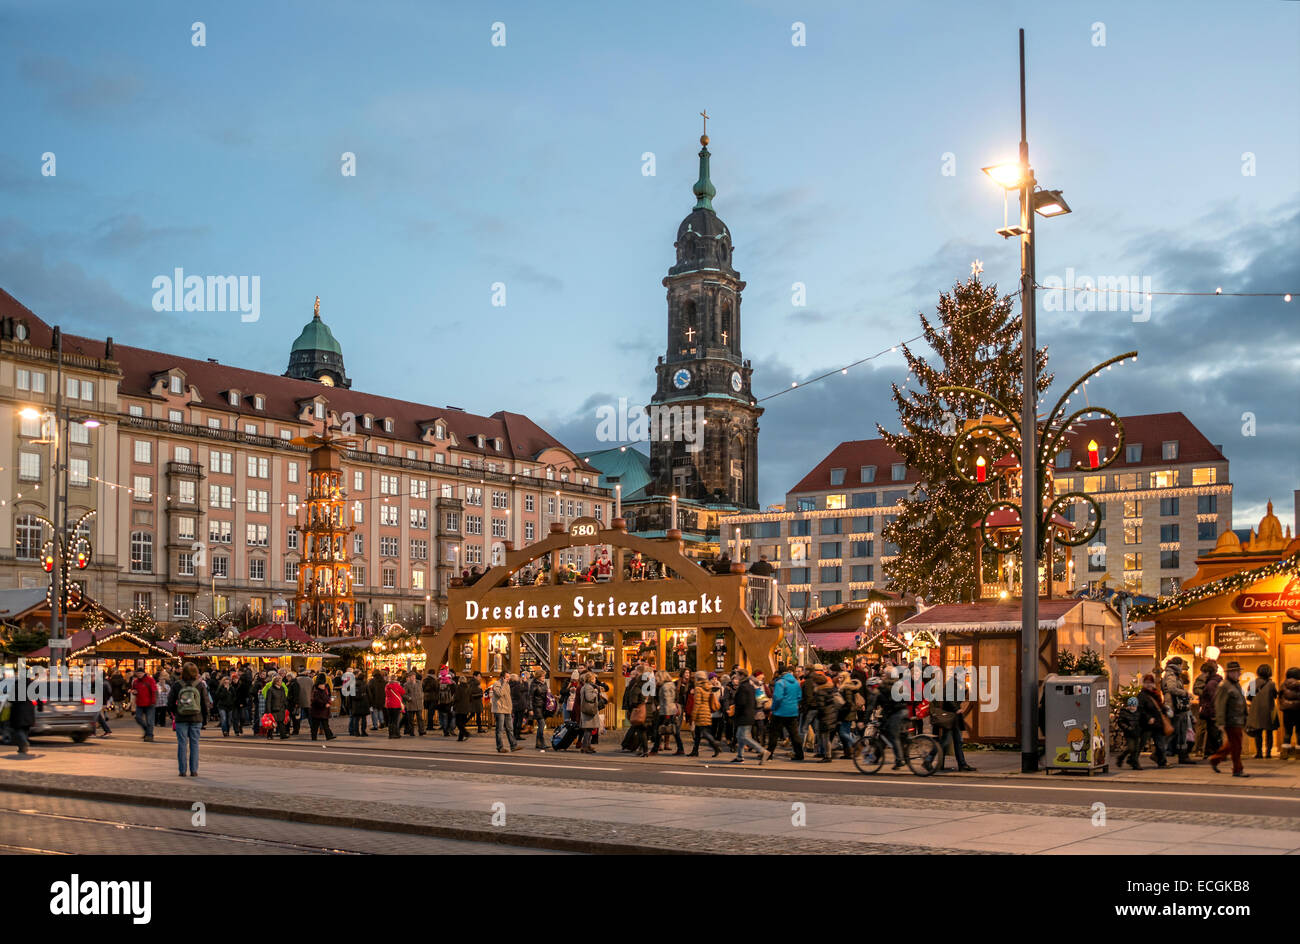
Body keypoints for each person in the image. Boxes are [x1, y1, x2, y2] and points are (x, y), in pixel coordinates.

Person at [1209, 661, 1249, 776]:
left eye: (1238, 671)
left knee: (1232, 744)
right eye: (1236, 671)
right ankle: (1238, 769)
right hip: (1231, 720)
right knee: (1236, 746)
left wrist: (1245, 715)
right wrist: (1220, 722)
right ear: (1230, 673)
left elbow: (1241, 701)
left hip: (1238, 719)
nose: (1238, 674)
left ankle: (1215, 759)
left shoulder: (1235, 685)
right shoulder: (1224, 686)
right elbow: (1220, 704)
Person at [168, 662, 207, 777]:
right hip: (196, 718)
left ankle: (182, 770)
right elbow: (205, 703)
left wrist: (176, 712)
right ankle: (194, 770)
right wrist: (204, 718)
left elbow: (170, 703)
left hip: (181, 718)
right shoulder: (200, 685)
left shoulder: (177, 685)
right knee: (194, 744)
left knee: (182, 744)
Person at [933, 670, 976, 772]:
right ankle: (929, 759)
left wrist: (965, 690)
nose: (965, 677)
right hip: (950, 717)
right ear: (956, 675)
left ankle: (962, 764)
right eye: (963, 675)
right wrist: (956, 709)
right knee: (945, 742)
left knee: (957, 741)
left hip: (954, 718)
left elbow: (957, 699)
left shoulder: (957, 684)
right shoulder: (951, 684)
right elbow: (948, 698)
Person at [766, 665, 803, 761]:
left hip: (780, 712)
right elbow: (799, 696)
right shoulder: (795, 682)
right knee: (794, 734)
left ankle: (769, 754)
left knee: (774, 734)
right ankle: (799, 754)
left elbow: (777, 697)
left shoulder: (780, 682)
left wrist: (773, 708)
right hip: (792, 712)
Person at [1162, 656, 1195, 764]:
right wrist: (1185, 693)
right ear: (1179, 665)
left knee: (1181, 731)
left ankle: (1183, 755)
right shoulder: (1171, 674)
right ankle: (1159, 753)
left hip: (1177, 707)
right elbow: (1172, 688)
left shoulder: (1173, 674)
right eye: (1182, 666)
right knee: (1174, 731)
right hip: (1173, 707)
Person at [729, 668, 765, 764]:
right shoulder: (750, 685)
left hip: (744, 716)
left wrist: (736, 714)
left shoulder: (743, 687)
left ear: (741, 676)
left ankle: (763, 751)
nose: (736, 677)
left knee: (744, 737)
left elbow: (741, 703)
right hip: (749, 714)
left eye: (737, 675)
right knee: (740, 736)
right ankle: (740, 756)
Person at [1135, 673, 1168, 768]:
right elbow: (1140, 709)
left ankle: (1162, 762)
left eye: (1150, 682)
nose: (1149, 685)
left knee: (1160, 743)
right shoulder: (1141, 695)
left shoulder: (1156, 694)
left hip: (1157, 724)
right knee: (1141, 743)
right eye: (1146, 682)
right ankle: (1133, 760)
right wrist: (1148, 718)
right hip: (1147, 724)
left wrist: (1165, 711)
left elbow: (1160, 707)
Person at [1246, 664, 1278, 759]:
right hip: (1270, 710)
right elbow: (1275, 696)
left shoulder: (1252, 683)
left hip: (1256, 710)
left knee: (1258, 733)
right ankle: (1268, 753)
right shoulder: (1272, 684)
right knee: (1269, 732)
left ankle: (1259, 752)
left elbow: (1249, 697)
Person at [687, 671, 722, 757]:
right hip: (706, 711)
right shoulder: (708, 687)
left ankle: (716, 746)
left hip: (700, 713)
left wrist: (693, 716)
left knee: (704, 733)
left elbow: (697, 703)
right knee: (698, 733)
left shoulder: (698, 688)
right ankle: (695, 751)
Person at [1193, 660, 1222, 757]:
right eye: (1216, 666)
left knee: (1209, 729)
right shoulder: (1204, 678)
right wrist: (1205, 694)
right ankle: (1199, 749)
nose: (1217, 668)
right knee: (1204, 728)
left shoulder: (1214, 679)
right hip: (1206, 706)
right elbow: (1196, 690)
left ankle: (1205, 750)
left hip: (1207, 705)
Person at [490, 673, 520, 752]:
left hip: (507, 709)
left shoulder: (507, 684)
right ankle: (500, 747)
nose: (509, 678)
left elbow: (508, 697)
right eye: (507, 677)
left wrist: (510, 708)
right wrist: (503, 683)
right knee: (499, 729)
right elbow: (499, 694)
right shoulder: (497, 684)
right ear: (502, 677)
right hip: (499, 710)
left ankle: (513, 746)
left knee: (510, 728)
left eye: (509, 677)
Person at [129, 667, 157, 741]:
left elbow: (154, 691)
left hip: (149, 703)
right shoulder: (135, 681)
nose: (139, 675)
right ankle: (147, 731)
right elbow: (134, 689)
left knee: (150, 721)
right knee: (138, 718)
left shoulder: (150, 680)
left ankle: (150, 735)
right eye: (138, 673)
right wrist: (134, 692)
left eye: (140, 673)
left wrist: (153, 702)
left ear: (144, 673)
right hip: (140, 703)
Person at [1279, 667, 1300, 760]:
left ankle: (1284, 754)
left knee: (1288, 732)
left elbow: (1279, 696)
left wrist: (1283, 705)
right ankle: (1299, 755)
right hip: (1299, 711)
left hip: (1287, 712)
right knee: (1299, 732)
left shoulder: (1283, 685)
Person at [578, 672, 602, 753]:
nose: (595, 680)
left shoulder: (585, 686)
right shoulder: (588, 687)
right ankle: (585, 747)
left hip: (587, 710)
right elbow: (589, 698)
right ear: (591, 679)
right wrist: (595, 692)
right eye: (594, 678)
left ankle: (587, 745)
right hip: (589, 710)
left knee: (589, 729)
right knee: (588, 729)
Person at [309, 673, 337, 741]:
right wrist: (324, 704)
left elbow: (326, 697)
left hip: (322, 711)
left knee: (325, 725)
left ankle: (328, 736)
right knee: (315, 725)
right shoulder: (316, 691)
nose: (324, 685)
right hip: (318, 710)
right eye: (323, 684)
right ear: (319, 685)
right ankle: (314, 737)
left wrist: (328, 702)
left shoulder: (322, 690)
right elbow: (316, 700)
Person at [528, 667, 550, 750]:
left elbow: (545, 695)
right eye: (542, 676)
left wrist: (549, 692)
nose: (544, 678)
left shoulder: (544, 684)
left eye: (544, 676)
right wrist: (530, 709)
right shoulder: (534, 685)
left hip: (543, 707)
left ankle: (538, 743)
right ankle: (542, 743)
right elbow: (530, 697)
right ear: (538, 677)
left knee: (541, 725)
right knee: (542, 724)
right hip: (536, 707)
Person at [264, 673, 290, 739]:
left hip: (281, 708)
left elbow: (284, 698)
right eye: (280, 681)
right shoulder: (271, 690)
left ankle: (283, 735)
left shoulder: (282, 689)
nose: (281, 682)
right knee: (273, 723)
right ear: (276, 682)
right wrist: (268, 710)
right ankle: (269, 735)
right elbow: (268, 701)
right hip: (274, 708)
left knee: (281, 722)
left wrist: (286, 706)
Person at [452, 673, 476, 741]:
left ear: (459, 681)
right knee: (462, 723)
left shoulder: (458, 688)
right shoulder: (469, 688)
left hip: (459, 708)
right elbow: (471, 698)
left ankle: (466, 733)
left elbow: (457, 698)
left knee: (458, 723)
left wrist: (453, 703)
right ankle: (460, 737)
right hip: (466, 708)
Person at [436, 666, 456, 736]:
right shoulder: (452, 682)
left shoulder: (438, 682)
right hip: (449, 702)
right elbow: (455, 692)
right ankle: (451, 729)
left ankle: (445, 731)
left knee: (444, 716)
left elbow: (436, 692)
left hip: (441, 702)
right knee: (452, 716)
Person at [384, 673, 406, 738]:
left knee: (390, 720)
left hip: (388, 704)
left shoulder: (387, 686)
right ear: (395, 679)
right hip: (396, 704)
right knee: (395, 720)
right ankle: (395, 734)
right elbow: (403, 692)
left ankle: (390, 734)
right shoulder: (397, 685)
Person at [349, 671, 371, 736]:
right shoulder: (365, 684)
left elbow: (350, 696)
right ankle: (363, 731)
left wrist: (350, 705)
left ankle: (356, 732)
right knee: (364, 719)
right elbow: (369, 695)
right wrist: (370, 703)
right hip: (364, 704)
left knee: (356, 719)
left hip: (355, 704)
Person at [403, 672, 425, 736]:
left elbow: (421, 691)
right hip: (411, 704)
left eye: (414, 676)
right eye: (411, 676)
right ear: (409, 677)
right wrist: (409, 698)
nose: (413, 677)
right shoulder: (406, 685)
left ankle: (421, 731)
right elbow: (404, 694)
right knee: (411, 719)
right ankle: (411, 731)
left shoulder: (419, 683)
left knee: (420, 718)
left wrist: (422, 697)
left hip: (419, 703)